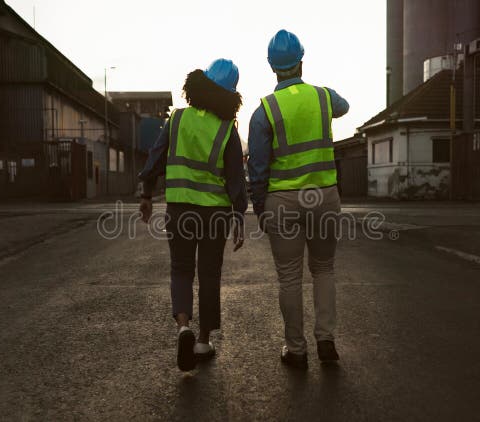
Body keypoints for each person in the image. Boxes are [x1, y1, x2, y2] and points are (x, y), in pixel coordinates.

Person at [248, 30, 349, 369]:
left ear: (271, 67)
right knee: (323, 269)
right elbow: (344, 106)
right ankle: (326, 341)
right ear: (301, 62)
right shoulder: (323, 98)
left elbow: (258, 166)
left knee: (289, 276)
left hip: (283, 201)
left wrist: (260, 207)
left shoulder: (264, 111)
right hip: (323, 196)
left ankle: (296, 350)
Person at [139, 59, 247, 372]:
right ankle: (202, 341)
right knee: (209, 274)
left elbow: (155, 157)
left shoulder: (177, 118)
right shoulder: (227, 129)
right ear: (230, 95)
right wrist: (239, 217)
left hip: (179, 209)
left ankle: (183, 326)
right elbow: (236, 179)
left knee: (181, 269)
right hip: (215, 213)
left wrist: (146, 194)